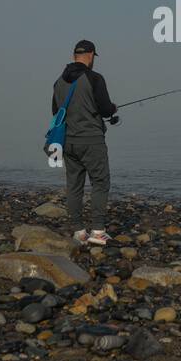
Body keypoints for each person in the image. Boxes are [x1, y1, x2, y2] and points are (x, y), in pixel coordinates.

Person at [52, 39, 118, 245]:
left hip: (68, 141)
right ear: (90, 55)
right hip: (91, 140)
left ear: (74, 56)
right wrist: (113, 109)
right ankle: (98, 231)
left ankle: (79, 232)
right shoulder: (94, 78)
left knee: (74, 185)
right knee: (100, 182)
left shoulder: (59, 82)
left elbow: (56, 112)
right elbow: (106, 109)